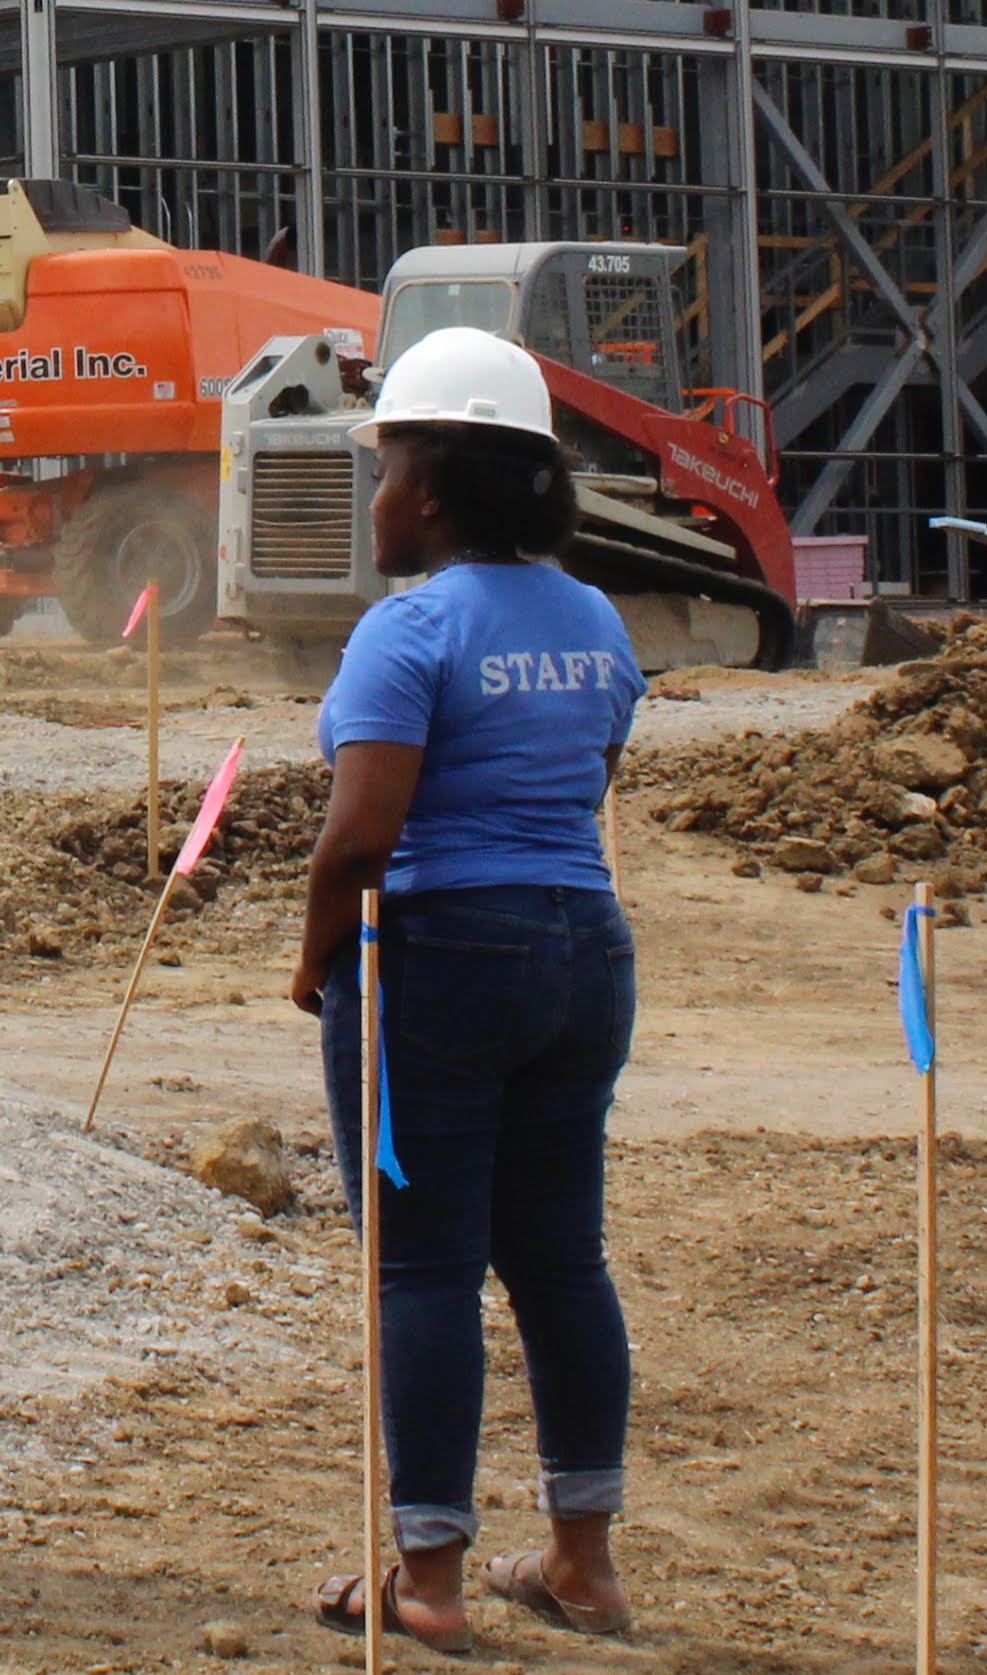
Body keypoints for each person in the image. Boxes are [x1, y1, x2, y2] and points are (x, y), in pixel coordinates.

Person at [291, 324, 644, 1648]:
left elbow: (362, 834)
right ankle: (580, 1562)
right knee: (559, 1262)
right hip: (581, 952)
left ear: (429, 486)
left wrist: (314, 954)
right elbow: (584, 780)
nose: (371, 493)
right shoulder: (594, 617)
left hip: (438, 956)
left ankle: (427, 1583)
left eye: (381, 466)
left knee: (422, 1272)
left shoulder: (409, 631)